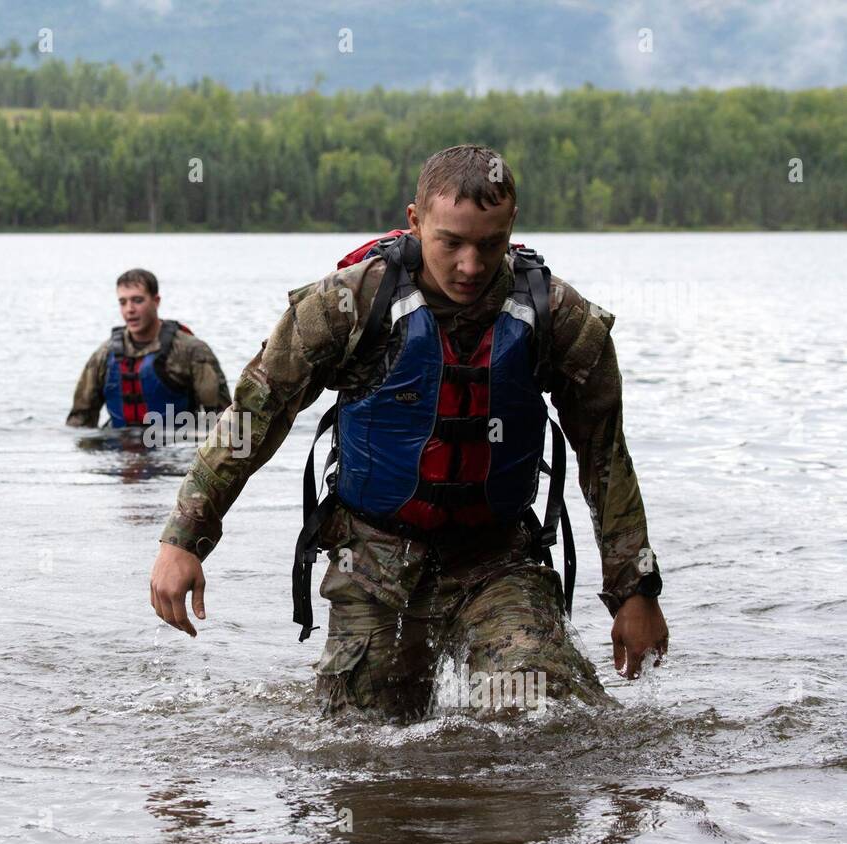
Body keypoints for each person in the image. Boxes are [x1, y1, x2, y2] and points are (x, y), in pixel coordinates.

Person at [149, 144, 669, 720]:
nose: (470, 265)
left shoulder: (557, 317)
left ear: (512, 228)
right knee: (360, 746)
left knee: (545, 716)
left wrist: (635, 591)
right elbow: (254, 415)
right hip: (372, 563)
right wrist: (183, 539)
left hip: (499, 560)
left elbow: (606, 456)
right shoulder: (349, 304)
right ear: (416, 222)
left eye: (489, 244)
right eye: (451, 242)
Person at [67, 268, 231, 429]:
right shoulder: (104, 355)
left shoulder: (192, 351)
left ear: (156, 301)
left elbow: (223, 419)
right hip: (118, 450)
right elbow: (80, 421)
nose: (129, 310)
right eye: (123, 302)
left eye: (137, 300)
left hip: (175, 448)